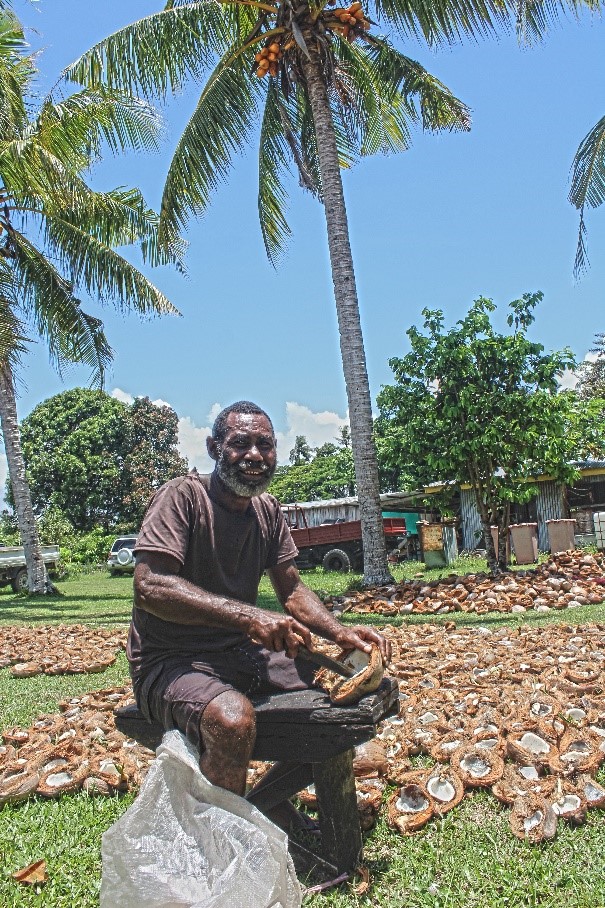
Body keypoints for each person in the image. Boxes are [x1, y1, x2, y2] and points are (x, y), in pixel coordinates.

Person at [127, 400, 390, 830]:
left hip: (235, 653)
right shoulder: (183, 498)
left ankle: (264, 804)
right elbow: (151, 586)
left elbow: (293, 591)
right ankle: (227, 846)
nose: (254, 455)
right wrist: (251, 619)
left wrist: (340, 633)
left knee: (332, 696)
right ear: (214, 448)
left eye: (264, 445)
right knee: (232, 722)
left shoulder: (267, 510)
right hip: (169, 660)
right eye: (240, 444)